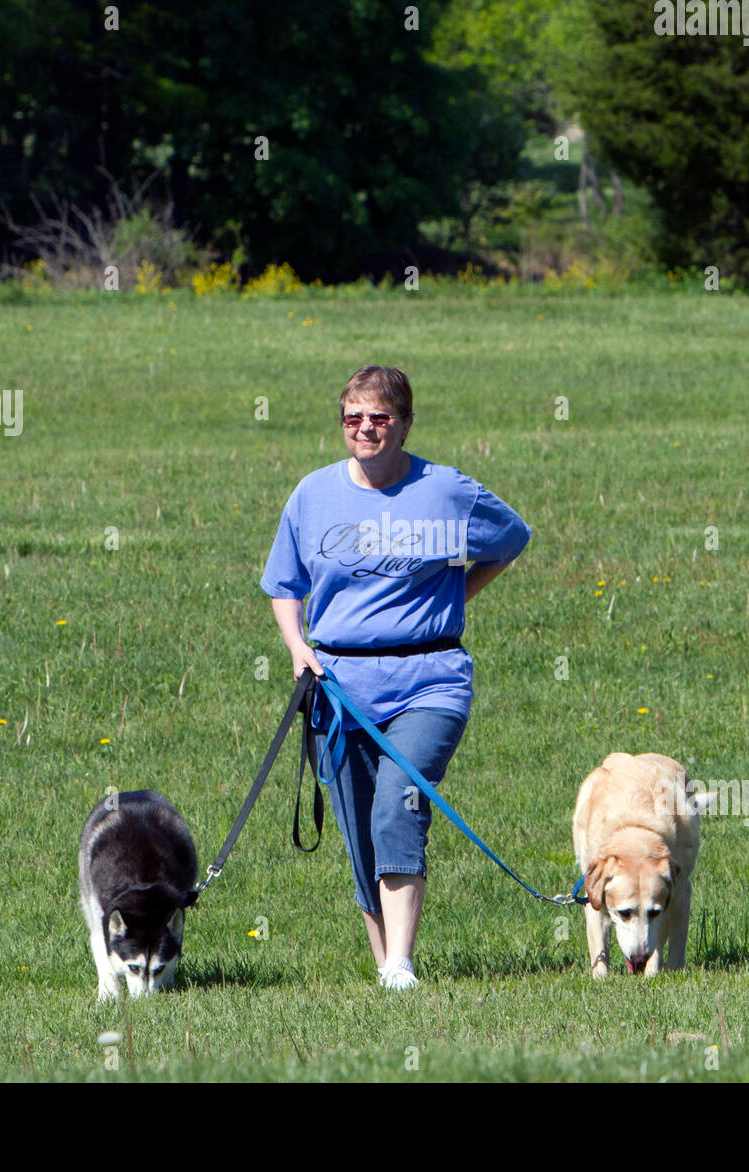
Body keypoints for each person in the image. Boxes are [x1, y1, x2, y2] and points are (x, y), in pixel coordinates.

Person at [261, 365, 531, 989]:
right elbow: (283, 583)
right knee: (359, 827)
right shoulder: (311, 494)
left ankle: (403, 962)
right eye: (353, 418)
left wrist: (458, 596)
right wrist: (297, 646)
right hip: (339, 684)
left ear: (406, 423)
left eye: (380, 418)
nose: (366, 429)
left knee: (396, 806)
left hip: (430, 678)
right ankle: (389, 971)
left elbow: (511, 538)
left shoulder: (447, 491)